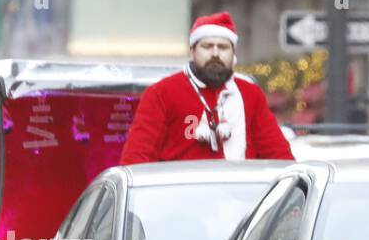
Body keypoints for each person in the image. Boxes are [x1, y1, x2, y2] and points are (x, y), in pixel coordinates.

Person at [120, 11, 294, 164]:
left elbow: (279, 157)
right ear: (192, 52)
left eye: (223, 47)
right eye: (207, 46)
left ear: (234, 54)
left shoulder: (251, 95)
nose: (215, 54)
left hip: (242, 198)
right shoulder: (162, 93)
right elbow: (136, 160)